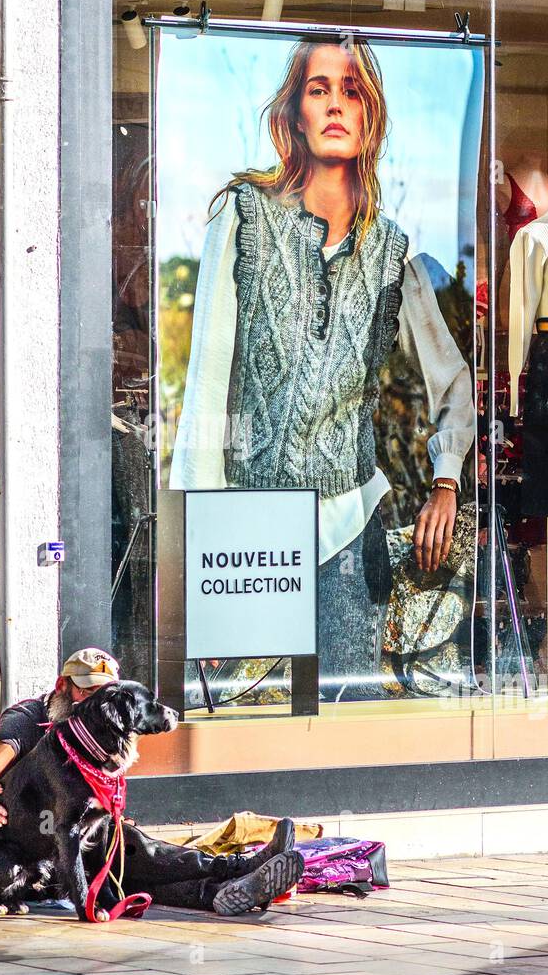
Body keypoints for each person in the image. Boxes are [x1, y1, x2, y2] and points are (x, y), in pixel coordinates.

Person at [170, 39, 476, 700]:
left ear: (370, 118)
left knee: (345, 713)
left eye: (352, 90)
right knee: (240, 719)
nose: (336, 103)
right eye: (319, 89)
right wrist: (199, 522)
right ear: (295, 114)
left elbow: (452, 381)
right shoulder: (243, 213)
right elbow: (208, 374)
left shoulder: (392, 251)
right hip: (250, 529)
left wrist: (446, 480)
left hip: (349, 527)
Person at [0, 647, 302, 915]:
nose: (94, 700)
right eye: (87, 690)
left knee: (130, 872)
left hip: (75, 847)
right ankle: (235, 870)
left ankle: (226, 889)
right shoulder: (29, 718)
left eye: (103, 692)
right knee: (140, 853)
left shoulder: (107, 726)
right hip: (35, 846)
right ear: (62, 686)